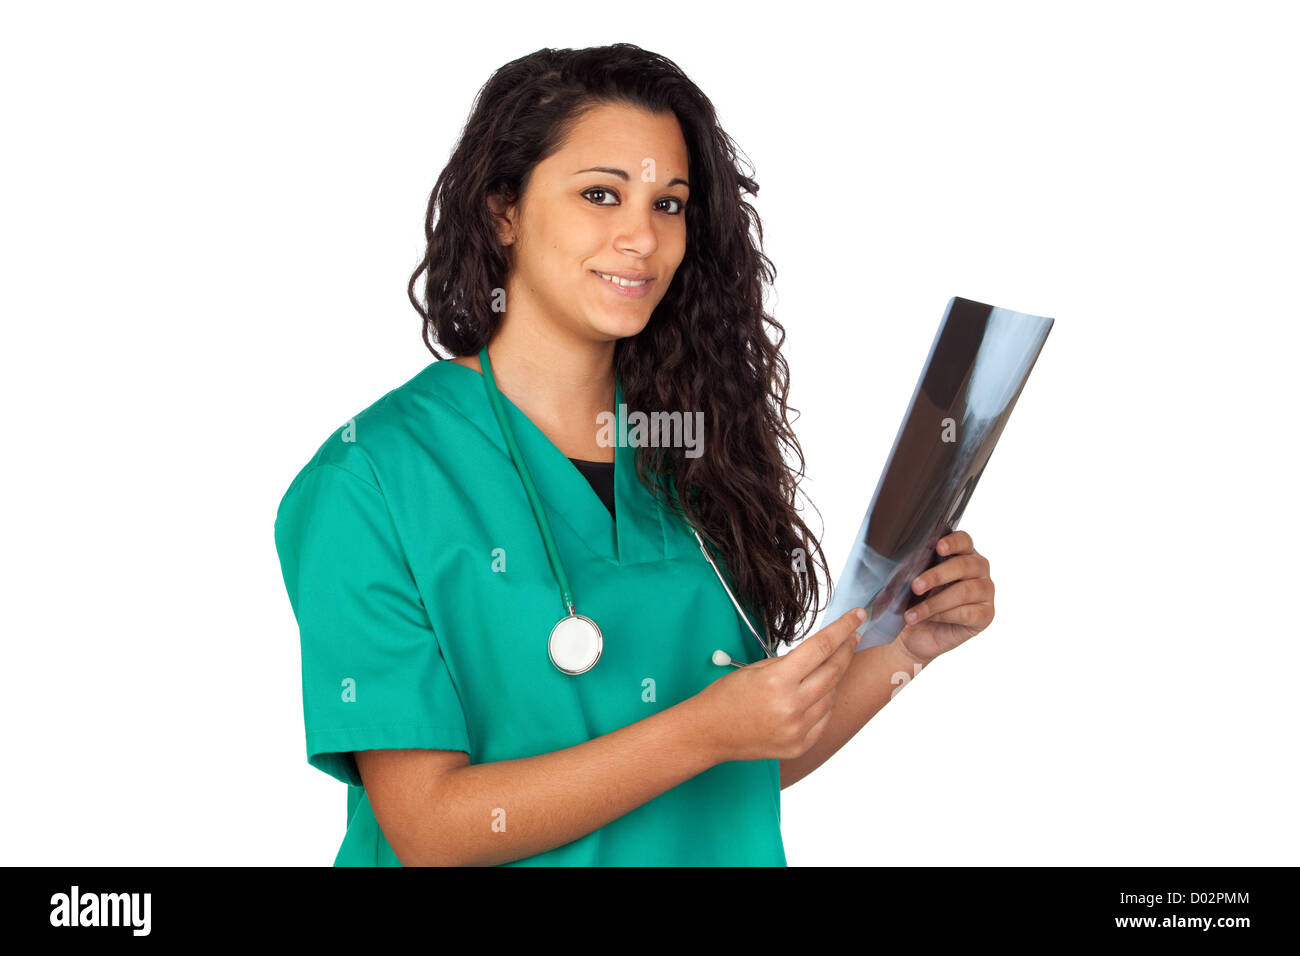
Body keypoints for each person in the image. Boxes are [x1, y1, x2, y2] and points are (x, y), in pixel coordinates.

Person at [272, 43, 996, 867]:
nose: (642, 239)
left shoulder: (688, 451)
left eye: (670, 204)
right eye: (600, 195)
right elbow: (431, 828)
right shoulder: (369, 481)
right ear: (502, 209)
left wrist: (904, 650)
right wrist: (703, 729)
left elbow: (737, 764)